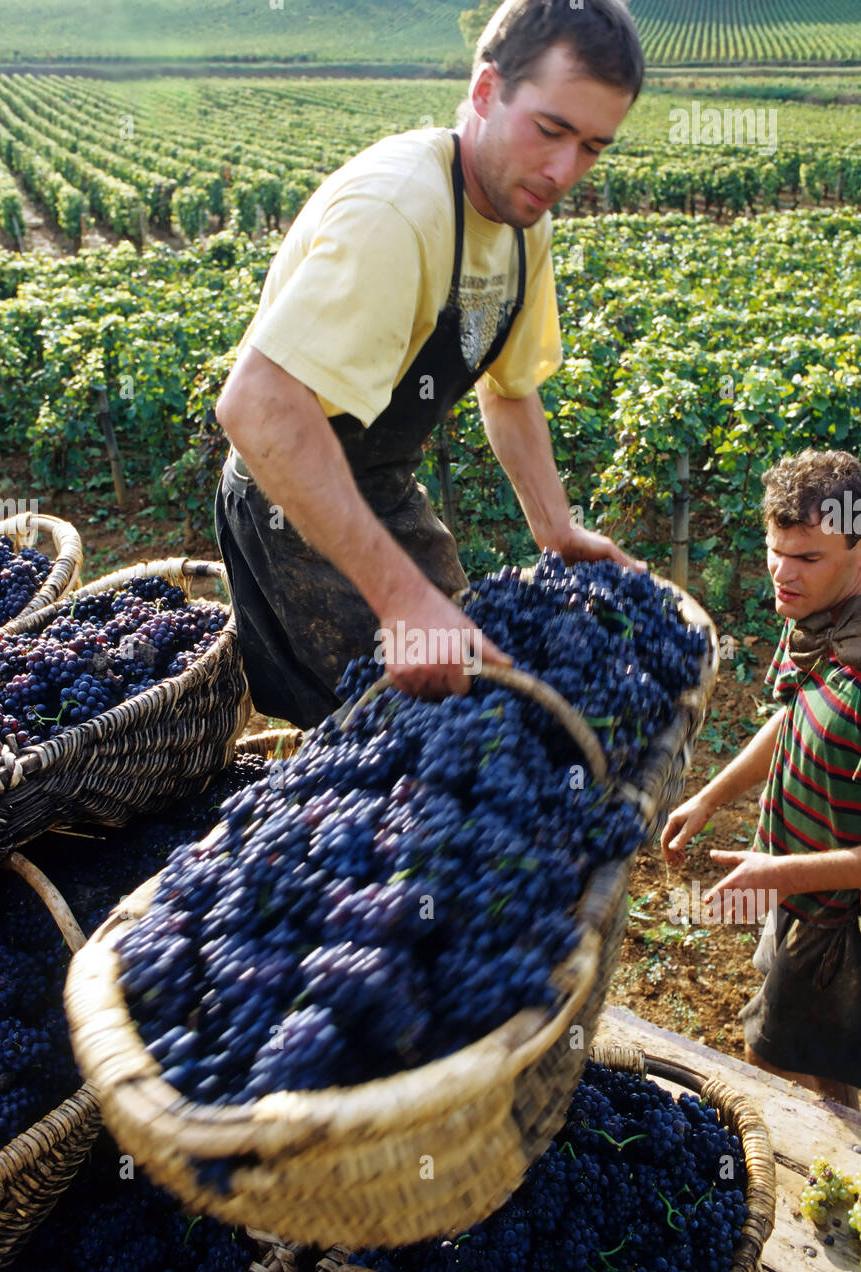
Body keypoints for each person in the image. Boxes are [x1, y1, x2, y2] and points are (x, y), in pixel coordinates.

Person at [214, 0, 646, 730]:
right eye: (551, 131)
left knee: (471, 698)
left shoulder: (520, 221)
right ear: (485, 91)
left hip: (382, 488)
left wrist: (556, 529)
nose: (565, 170)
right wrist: (403, 598)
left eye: (593, 147)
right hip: (294, 500)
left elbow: (509, 392)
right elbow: (257, 404)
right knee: (388, 741)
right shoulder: (399, 211)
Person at [662, 449, 861, 1109]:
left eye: (808, 559)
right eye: (776, 550)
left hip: (838, 925)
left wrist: (778, 874)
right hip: (797, 889)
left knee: (783, 1064)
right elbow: (794, 717)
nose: (782, 572)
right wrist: (710, 796)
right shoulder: (820, 622)